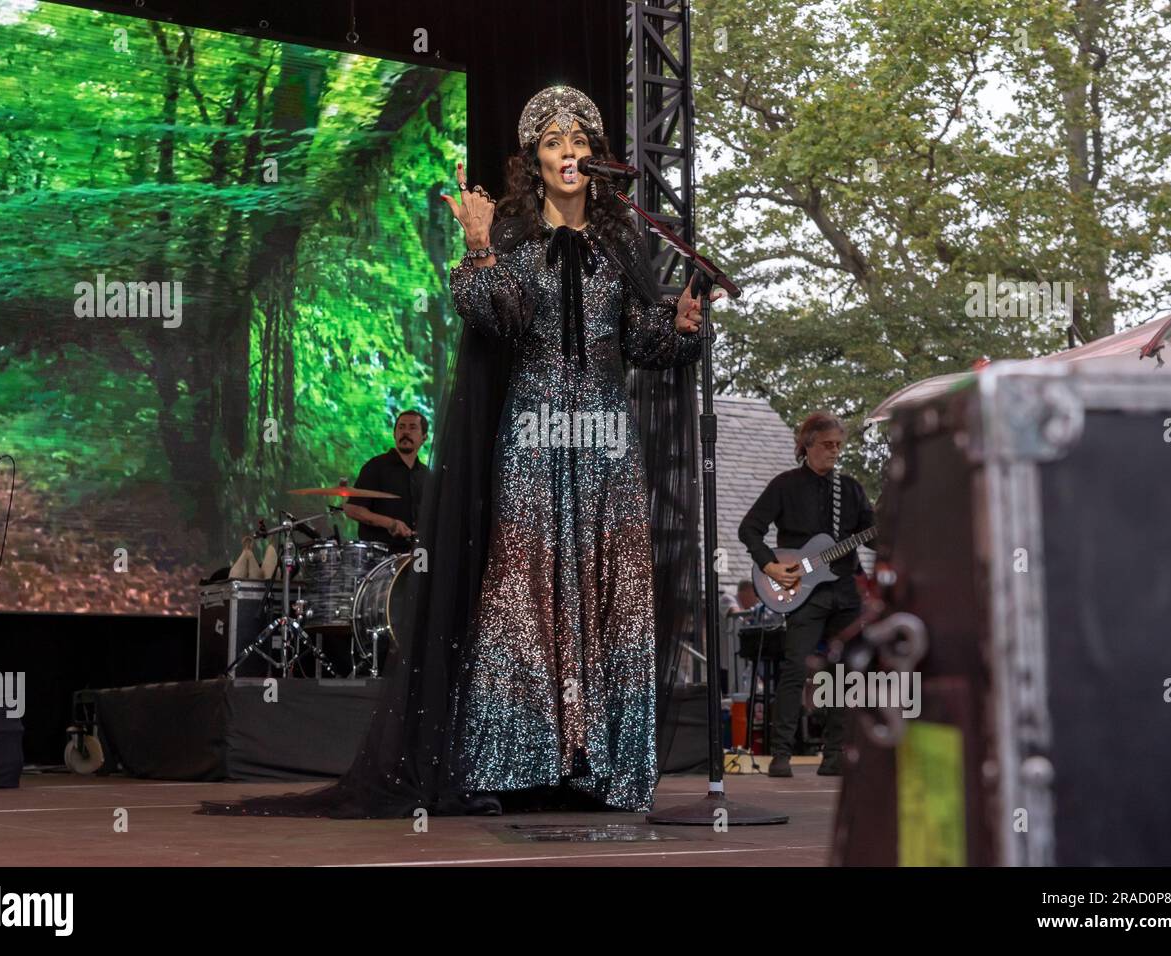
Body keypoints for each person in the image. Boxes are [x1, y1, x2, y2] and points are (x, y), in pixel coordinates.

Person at [201, 84, 712, 819]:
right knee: (523, 597)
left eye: (579, 141)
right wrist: (477, 247)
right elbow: (488, 313)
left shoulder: (620, 247)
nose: (569, 152)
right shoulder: (510, 238)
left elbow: (642, 341)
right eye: (552, 143)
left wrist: (685, 329)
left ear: (595, 157)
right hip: (534, 441)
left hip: (605, 445)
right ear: (533, 163)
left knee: (611, 592)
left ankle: (601, 765)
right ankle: (517, 760)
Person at [737, 412, 874, 777]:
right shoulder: (784, 485)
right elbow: (749, 528)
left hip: (845, 591)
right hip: (804, 591)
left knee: (845, 674)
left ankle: (834, 755)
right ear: (807, 445)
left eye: (838, 445)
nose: (834, 452)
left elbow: (872, 534)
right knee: (795, 667)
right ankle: (780, 755)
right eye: (827, 445)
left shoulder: (851, 488)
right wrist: (770, 566)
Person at [345, 411, 429, 553]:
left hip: (419, 556)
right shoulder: (376, 466)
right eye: (401, 427)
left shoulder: (428, 476)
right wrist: (390, 523)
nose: (406, 432)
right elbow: (352, 509)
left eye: (412, 427)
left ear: (424, 437)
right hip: (381, 557)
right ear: (394, 434)